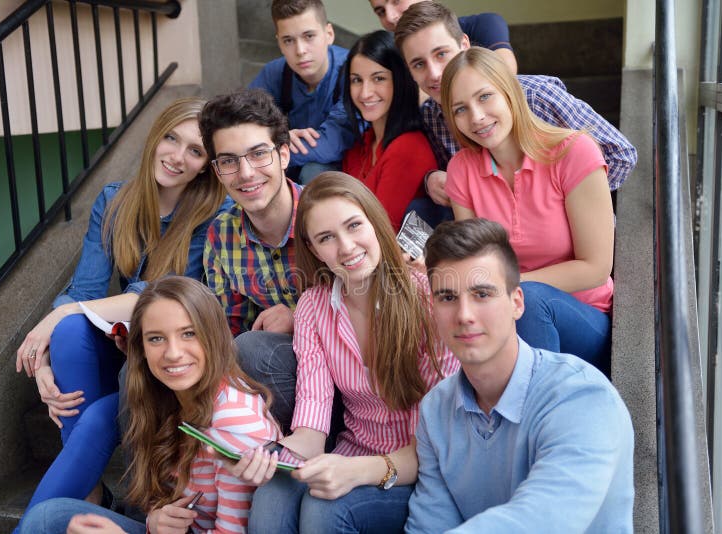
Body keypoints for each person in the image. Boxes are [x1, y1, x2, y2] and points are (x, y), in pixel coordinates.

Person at [14, 98, 229, 524]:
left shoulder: (213, 213)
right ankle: (90, 489)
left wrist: (53, 318)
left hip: (172, 355)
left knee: (95, 412)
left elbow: (157, 294)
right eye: (171, 138)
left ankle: (84, 493)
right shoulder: (115, 200)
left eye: (195, 150)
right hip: (125, 343)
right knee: (72, 332)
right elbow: (85, 289)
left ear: (206, 165)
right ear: (156, 134)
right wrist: (46, 360)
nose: (176, 156)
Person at [246, 172, 459, 533]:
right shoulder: (313, 307)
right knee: (272, 490)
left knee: (323, 507)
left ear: (374, 222)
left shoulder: (429, 300)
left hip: (419, 470)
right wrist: (266, 456)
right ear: (313, 249)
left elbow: (438, 445)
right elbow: (312, 431)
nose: (346, 247)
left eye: (354, 225)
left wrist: (357, 472)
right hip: (351, 454)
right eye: (327, 237)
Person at [405, 218, 634, 532]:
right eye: (447, 298)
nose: (464, 315)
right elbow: (429, 525)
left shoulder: (582, 396)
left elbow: (542, 521)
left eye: (482, 294)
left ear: (516, 303)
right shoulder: (436, 409)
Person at [18, 276, 282, 533]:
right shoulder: (159, 396)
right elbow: (159, 503)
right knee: (47, 518)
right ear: (140, 347)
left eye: (188, 334)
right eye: (156, 338)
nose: (173, 353)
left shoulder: (235, 420)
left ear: (214, 337)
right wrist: (154, 522)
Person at [441, 46, 615, 372]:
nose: (476, 117)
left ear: (510, 92)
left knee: (531, 300)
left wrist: (508, 287)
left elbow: (595, 267)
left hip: (583, 318)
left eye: (485, 97)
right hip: (506, 314)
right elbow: (475, 262)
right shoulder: (461, 170)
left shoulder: (575, 152)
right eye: (460, 109)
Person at [394, 1, 637, 224]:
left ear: (464, 45)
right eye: (419, 64)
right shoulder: (431, 116)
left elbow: (620, 154)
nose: (435, 73)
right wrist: (430, 180)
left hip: (575, 237)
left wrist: (567, 202)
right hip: (500, 249)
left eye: (441, 54)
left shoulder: (536, 95)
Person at [199, 88, 302, 430]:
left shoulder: (328, 216)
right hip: (278, 383)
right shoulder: (221, 236)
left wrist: (300, 316)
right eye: (229, 161)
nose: (245, 173)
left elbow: (369, 308)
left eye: (259, 154)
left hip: (346, 376)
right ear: (217, 171)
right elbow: (228, 325)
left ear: (284, 154)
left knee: (254, 349)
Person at [249, 0, 355, 183]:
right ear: (279, 43)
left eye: (309, 36)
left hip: (343, 168)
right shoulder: (275, 73)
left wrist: (274, 146)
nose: (300, 50)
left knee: (313, 172)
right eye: (288, 40)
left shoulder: (353, 71)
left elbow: (330, 143)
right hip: (286, 159)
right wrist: (279, 138)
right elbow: (242, 122)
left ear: (329, 34)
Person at [341, 30, 436, 231]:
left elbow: (382, 232)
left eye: (379, 78)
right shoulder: (362, 144)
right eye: (356, 80)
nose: (365, 93)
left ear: (400, 81)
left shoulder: (408, 147)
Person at [367, 0, 517, 74]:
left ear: (464, 43)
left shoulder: (483, 24)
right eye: (381, 12)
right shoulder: (389, 53)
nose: (391, 16)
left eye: (396, 0)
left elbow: (505, 74)